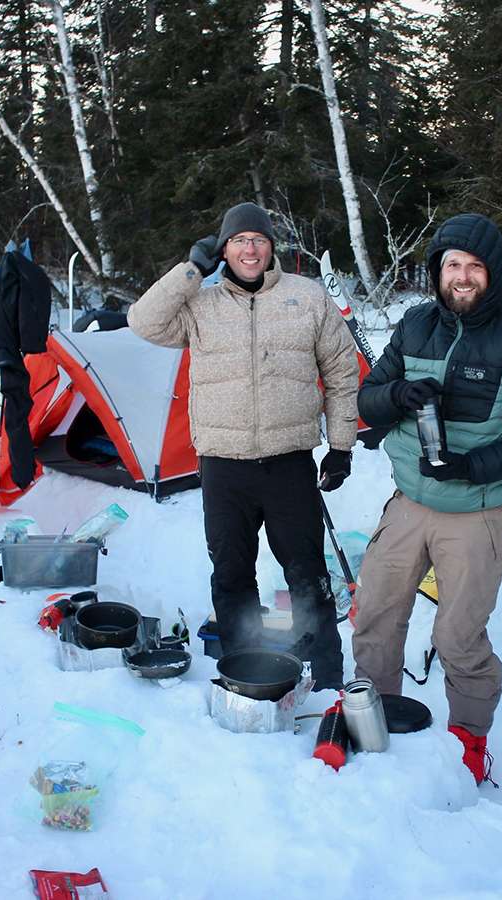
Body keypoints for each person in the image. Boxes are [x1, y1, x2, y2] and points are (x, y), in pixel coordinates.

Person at [351, 213, 502, 783]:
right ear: (437, 271)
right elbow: (367, 400)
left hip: (477, 513)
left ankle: (469, 741)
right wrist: (398, 392)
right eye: (453, 265)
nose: (463, 277)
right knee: (374, 615)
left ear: (492, 274)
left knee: (457, 635)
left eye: (475, 267)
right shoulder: (415, 326)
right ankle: (373, 717)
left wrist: (470, 466)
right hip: (408, 504)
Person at [127, 202, 360, 689]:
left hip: (289, 463)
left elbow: (340, 372)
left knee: (306, 573)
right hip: (224, 467)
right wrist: (191, 270)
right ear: (224, 249)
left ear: (271, 246)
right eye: (238, 240)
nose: (249, 248)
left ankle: (326, 674)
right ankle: (241, 667)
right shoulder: (200, 304)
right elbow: (143, 322)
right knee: (231, 572)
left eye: (258, 239)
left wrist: (340, 446)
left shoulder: (308, 297)